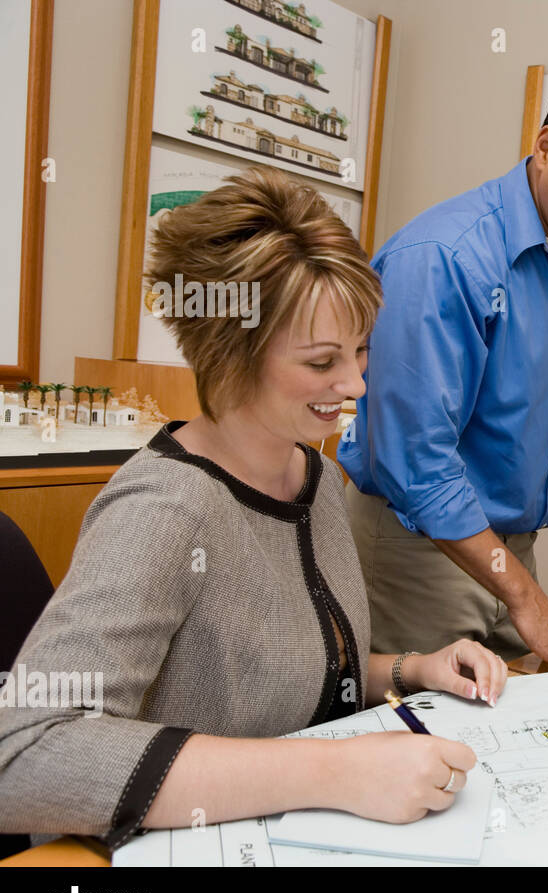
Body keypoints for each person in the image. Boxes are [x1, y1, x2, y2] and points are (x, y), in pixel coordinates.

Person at [0, 168, 507, 850]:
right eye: (322, 360)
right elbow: (23, 756)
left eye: (360, 351)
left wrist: (410, 669)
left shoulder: (320, 480)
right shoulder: (164, 509)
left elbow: (291, 675)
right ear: (231, 352)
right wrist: (335, 772)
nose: (355, 383)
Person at [339, 55, 548, 670]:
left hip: (511, 548)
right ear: (546, 147)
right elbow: (416, 464)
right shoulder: (443, 257)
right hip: (420, 551)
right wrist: (527, 598)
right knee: (414, 737)